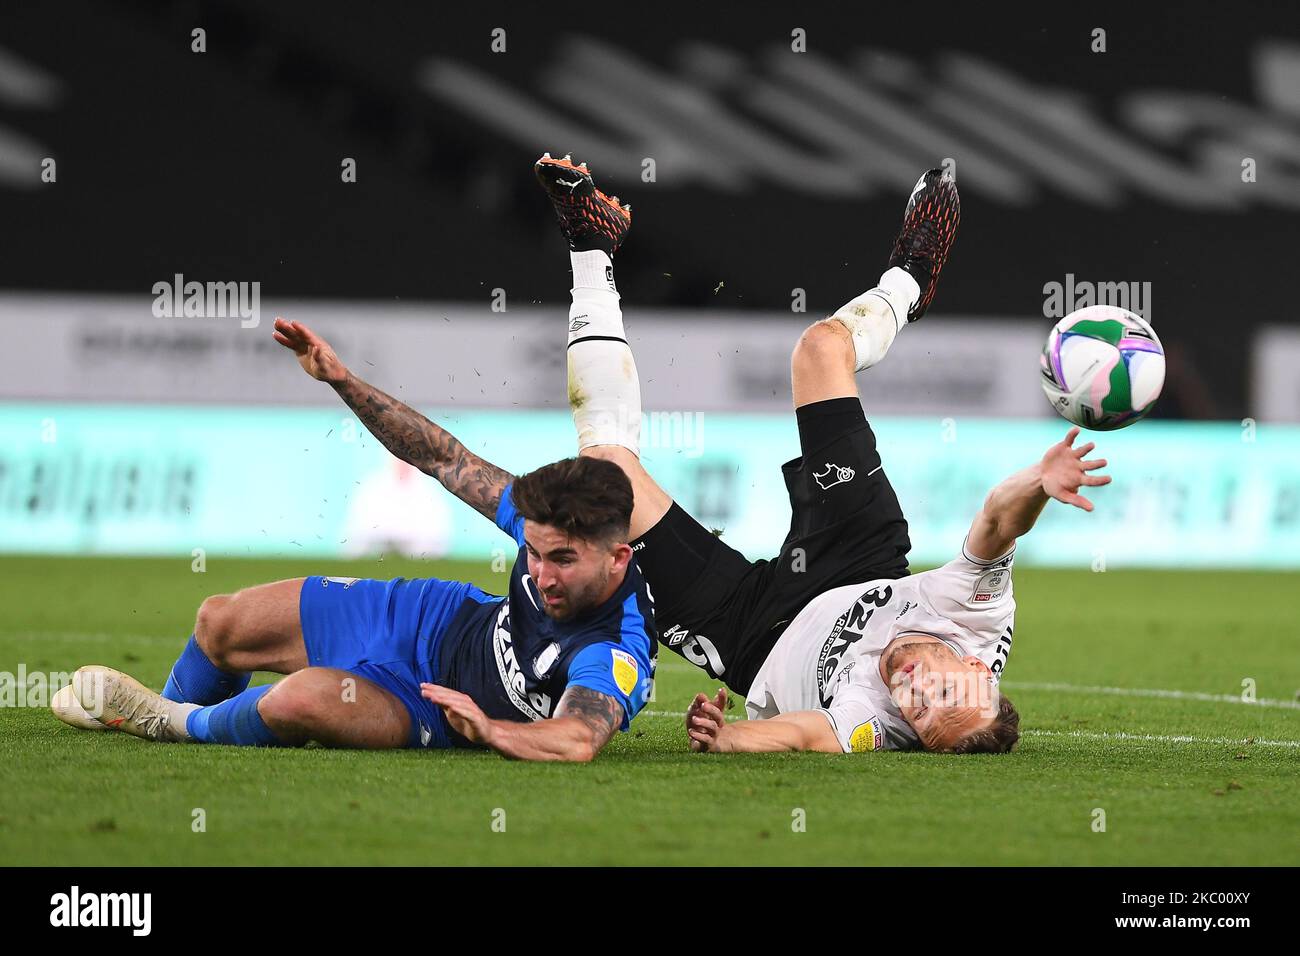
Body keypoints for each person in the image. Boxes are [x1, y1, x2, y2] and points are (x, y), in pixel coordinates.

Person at [534, 153, 1111, 754]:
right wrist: (1041, 483)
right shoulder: (975, 620)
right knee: (820, 350)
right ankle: (910, 277)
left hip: (752, 636)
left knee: (604, 473)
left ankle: (591, 244)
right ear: (977, 673)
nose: (915, 696)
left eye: (921, 719)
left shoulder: (874, 722)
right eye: (943, 694)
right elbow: (997, 521)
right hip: (859, 562)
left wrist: (732, 737)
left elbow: (808, 733)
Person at [55, 309, 657, 762]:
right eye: (534, 553)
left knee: (299, 700)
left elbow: (578, 737)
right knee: (221, 621)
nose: (542, 574)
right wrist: (341, 380)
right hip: (426, 618)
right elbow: (443, 459)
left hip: (429, 706)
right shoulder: (547, 522)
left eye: (563, 561)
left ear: (617, 557)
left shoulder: (616, 644)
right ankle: (170, 714)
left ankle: (166, 721)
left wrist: (492, 729)